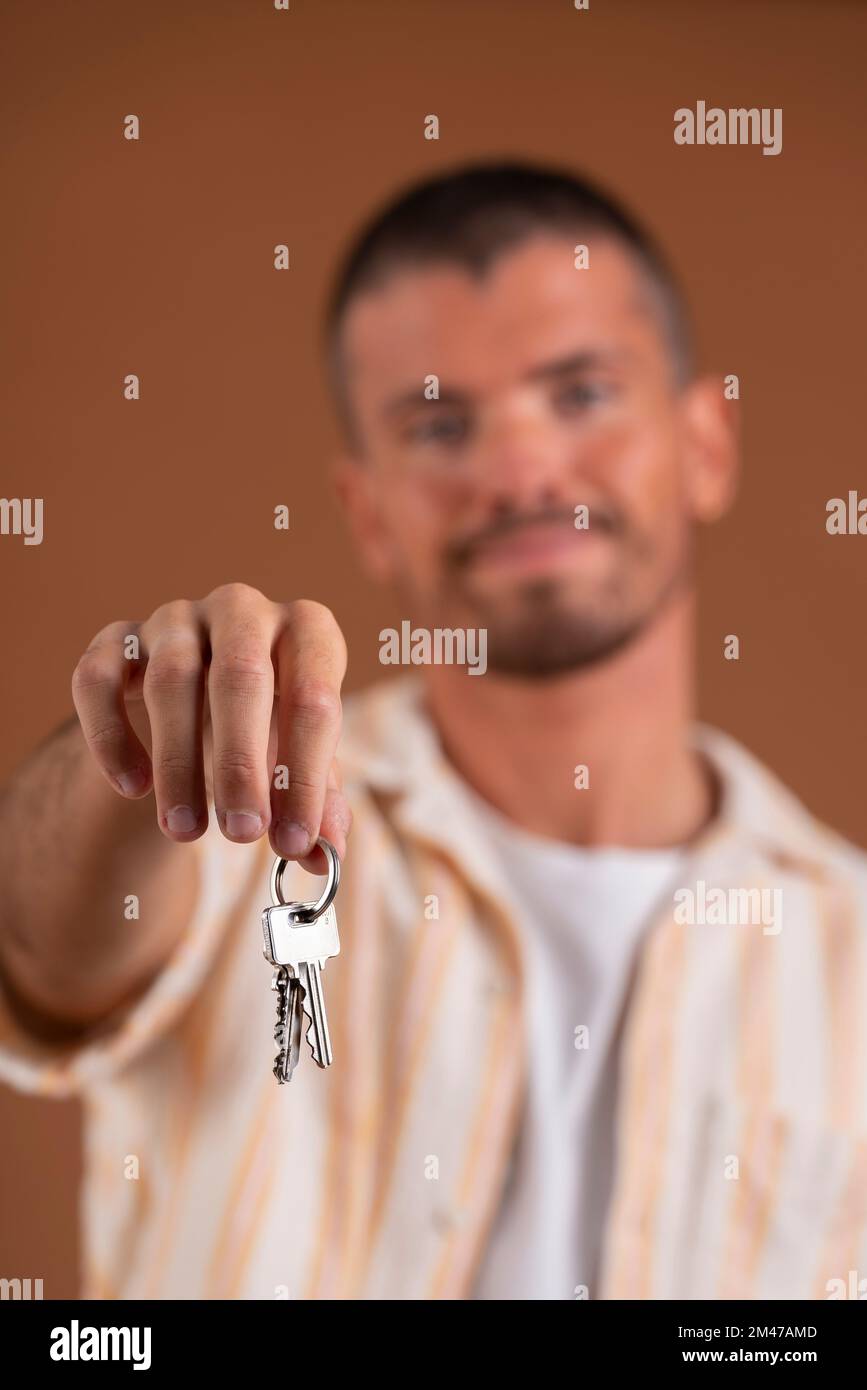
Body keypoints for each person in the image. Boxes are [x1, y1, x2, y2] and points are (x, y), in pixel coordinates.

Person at [1, 161, 865, 1302]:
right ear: (368, 513)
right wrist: (138, 742)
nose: (518, 471)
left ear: (704, 443)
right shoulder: (232, 816)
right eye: (440, 421)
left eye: (583, 393)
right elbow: (40, 950)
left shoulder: (847, 950)